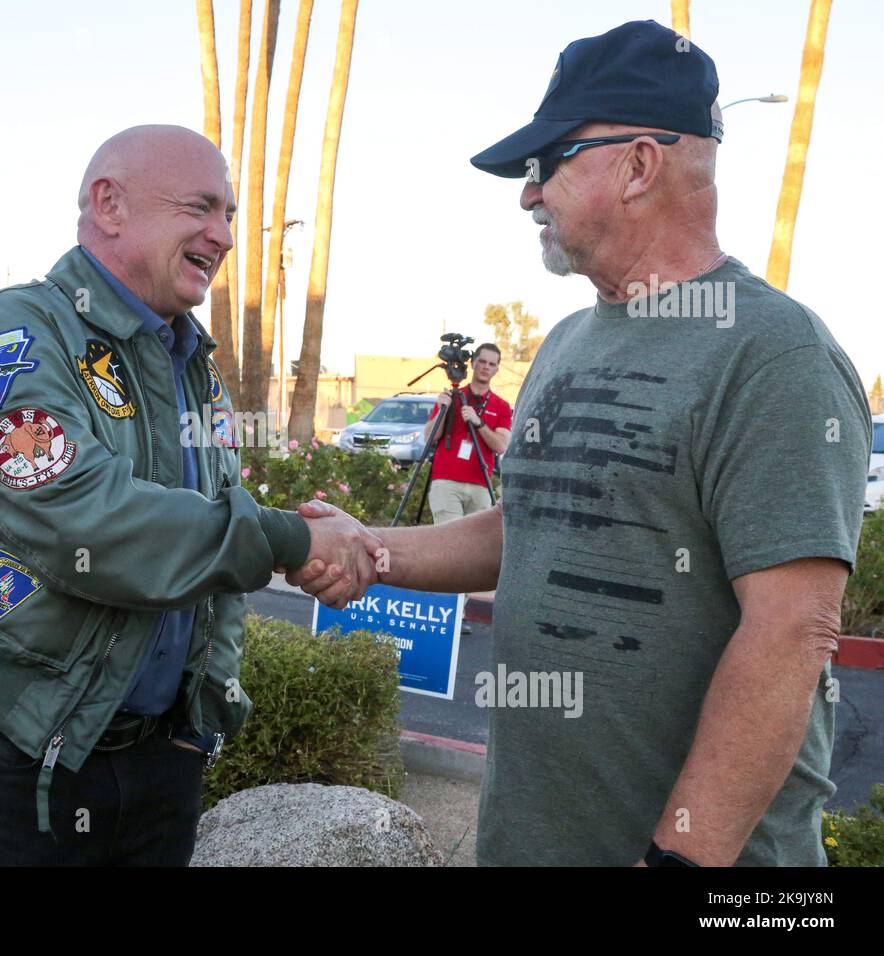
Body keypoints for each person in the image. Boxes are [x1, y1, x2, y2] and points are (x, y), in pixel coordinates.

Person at [290, 21, 869, 867]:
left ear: (638, 165)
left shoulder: (774, 354)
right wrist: (368, 547)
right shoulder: (566, 341)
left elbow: (794, 629)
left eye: (546, 163)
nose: (528, 195)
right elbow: (527, 524)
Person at [0, 124, 380, 866]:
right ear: (109, 204)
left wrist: (197, 725)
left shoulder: (192, 365)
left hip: (155, 767)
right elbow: (80, 516)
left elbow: (209, 552)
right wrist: (293, 539)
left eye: (229, 216)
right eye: (200, 208)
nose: (222, 236)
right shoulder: (13, 331)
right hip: (1, 757)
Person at [421, 343, 512, 523]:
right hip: (446, 480)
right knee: (449, 539)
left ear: (496, 369)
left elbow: (501, 446)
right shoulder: (453, 396)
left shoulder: (501, 406)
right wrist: (443, 410)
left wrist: (479, 423)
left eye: (492, 364)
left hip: (480, 483)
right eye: (482, 361)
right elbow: (429, 437)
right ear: (472, 363)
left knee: (477, 545)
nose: (486, 367)